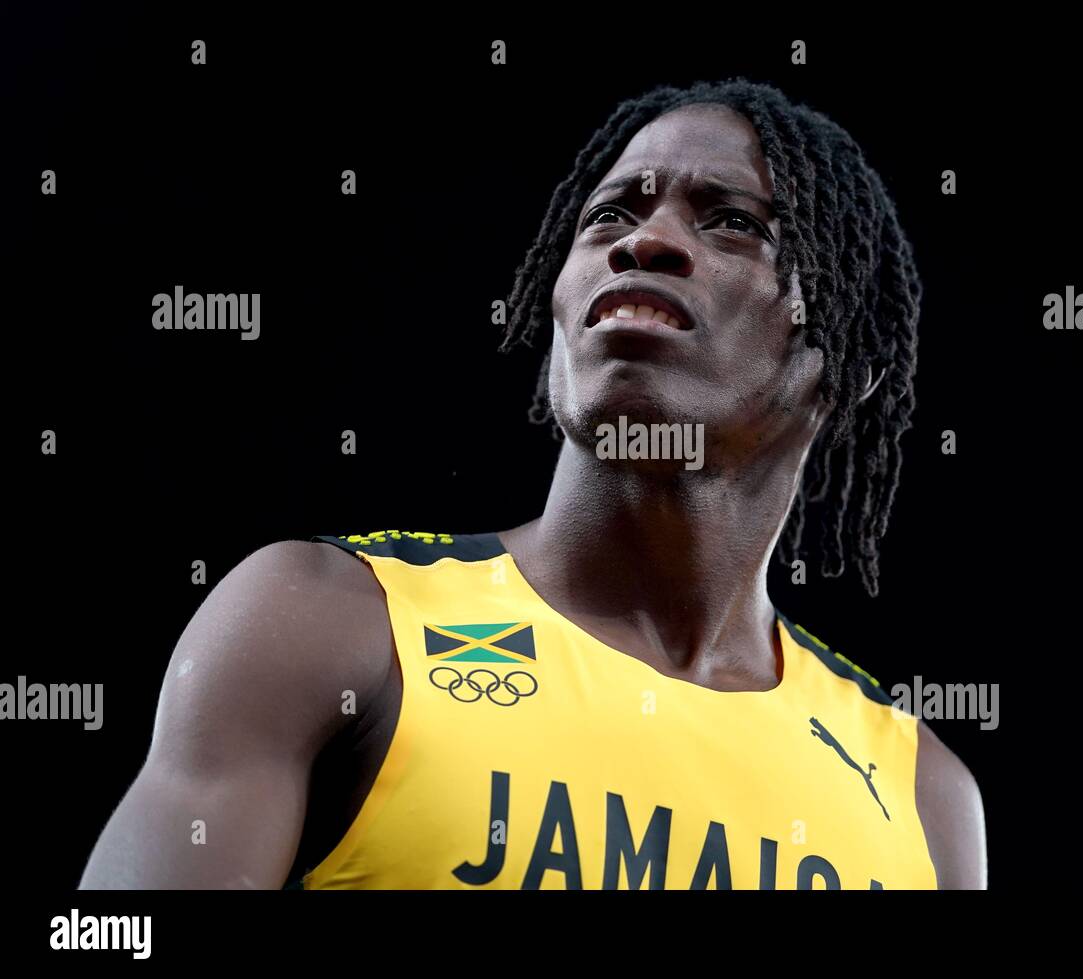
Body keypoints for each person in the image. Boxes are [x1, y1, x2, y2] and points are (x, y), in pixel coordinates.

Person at [80, 79, 986, 889]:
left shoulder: (921, 796)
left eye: (733, 222)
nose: (648, 239)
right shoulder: (328, 623)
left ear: (850, 359)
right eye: (610, 214)